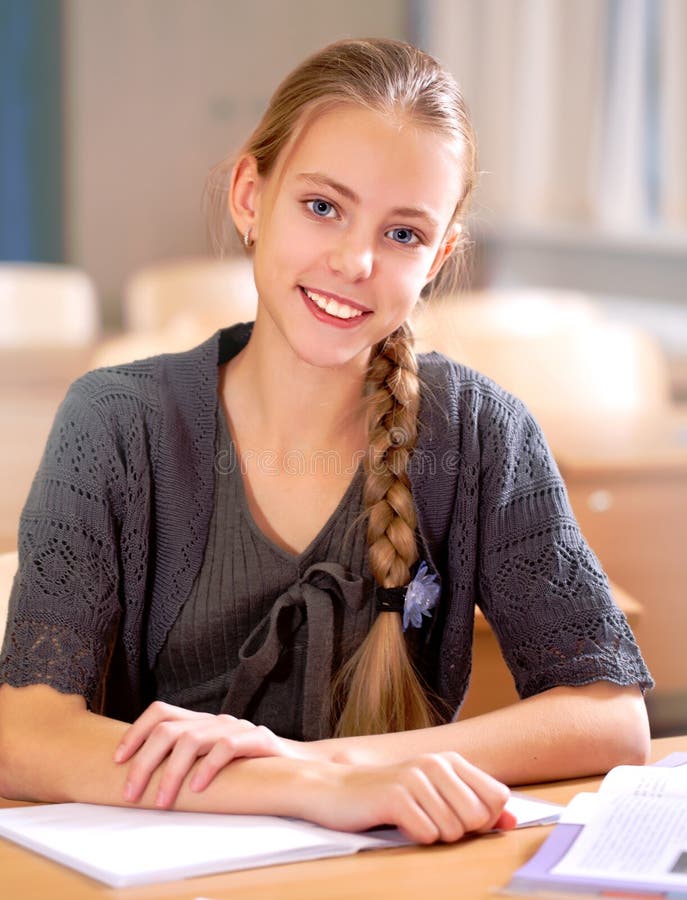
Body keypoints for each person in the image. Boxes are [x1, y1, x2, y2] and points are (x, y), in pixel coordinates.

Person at [0, 38, 652, 845]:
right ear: (250, 195)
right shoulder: (114, 421)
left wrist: (348, 770)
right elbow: (25, 731)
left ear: (439, 256)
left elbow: (609, 716)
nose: (354, 261)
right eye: (322, 207)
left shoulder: (483, 433)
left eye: (403, 234)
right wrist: (300, 784)